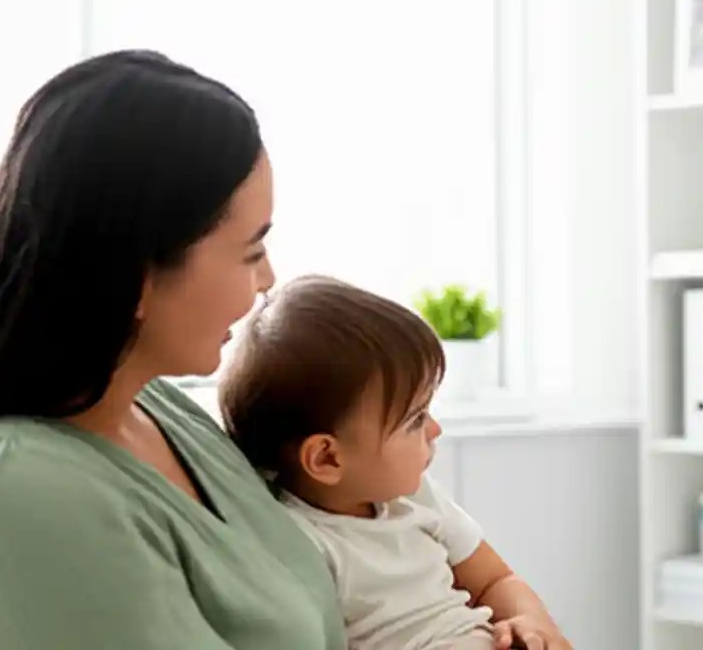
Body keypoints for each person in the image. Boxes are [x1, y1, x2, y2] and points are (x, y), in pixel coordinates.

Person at [0, 51, 347, 648]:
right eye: (250, 252)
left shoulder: (160, 410)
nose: (268, 280)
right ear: (136, 276)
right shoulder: (19, 493)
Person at [219, 275, 571, 650]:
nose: (435, 429)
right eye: (415, 420)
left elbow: (494, 580)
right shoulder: (303, 542)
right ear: (327, 458)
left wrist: (534, 624)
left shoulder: (416, 496)